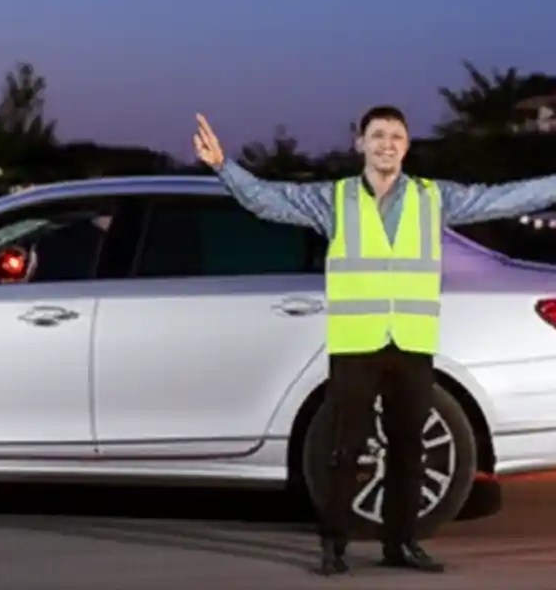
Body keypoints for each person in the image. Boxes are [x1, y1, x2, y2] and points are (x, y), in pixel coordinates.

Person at [193, 106, 556, 577]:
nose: (387, 143)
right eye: (378, 135)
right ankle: (335, 544)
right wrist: (224, 166)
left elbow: (503, 198)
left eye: (397, 136)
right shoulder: (334, 199)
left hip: (411, 342)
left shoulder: (433, 197)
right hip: (356, 343)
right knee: (346, 449)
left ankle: (401, 543)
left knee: (409, 449)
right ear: (360, 143)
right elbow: (267, 200)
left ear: (407, 146)